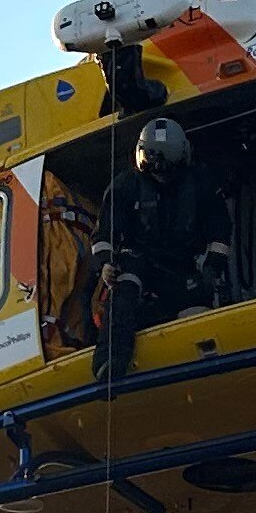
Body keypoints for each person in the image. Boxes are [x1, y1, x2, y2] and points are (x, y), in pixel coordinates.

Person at [94, 114, 235, 376]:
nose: (162, 175)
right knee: (124, 288)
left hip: (182, 265)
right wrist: (104, 265)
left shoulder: (200, 182)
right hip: (140, 261)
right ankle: (110, 362)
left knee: (198, 311)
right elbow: (105, 233)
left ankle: (206, 372)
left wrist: (213, 266)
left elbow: (220, 228)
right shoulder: (125, 187)